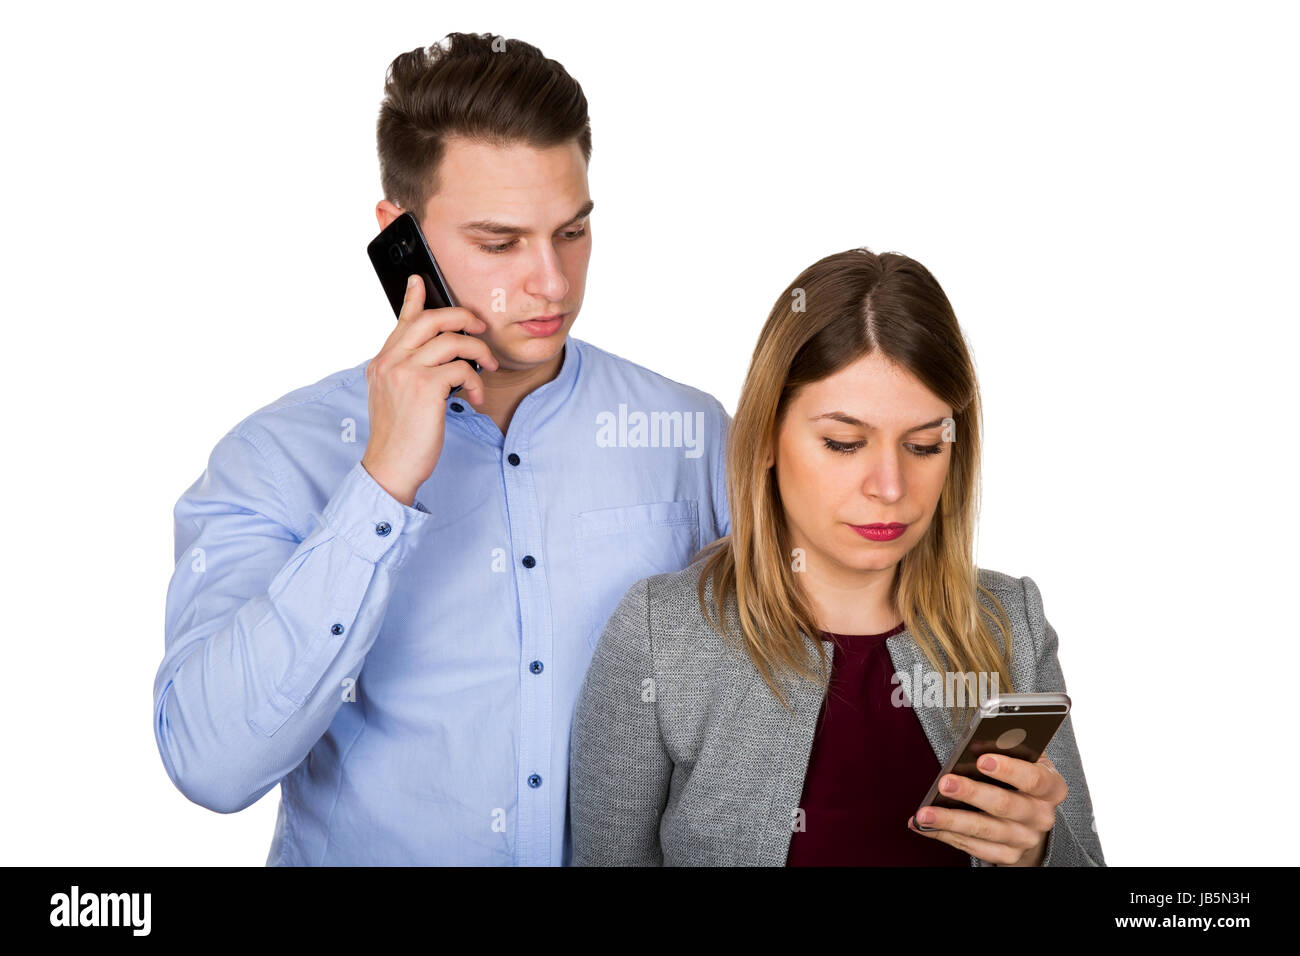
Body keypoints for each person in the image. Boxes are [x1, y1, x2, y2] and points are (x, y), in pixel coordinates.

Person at [153, 33, 730, 866]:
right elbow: (210, 766)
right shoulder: (275, 459)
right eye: (500, 243)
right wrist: (381, 486)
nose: (552, 282)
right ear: (400, 238)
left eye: (571, 231)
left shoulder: (691, 434)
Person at [569, 248, 1105, 866]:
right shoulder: (661, 634)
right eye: (844, 443)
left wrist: (1038, 852)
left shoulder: (1010, 622)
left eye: (925, 445)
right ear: (766, 437)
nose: (890, 486)